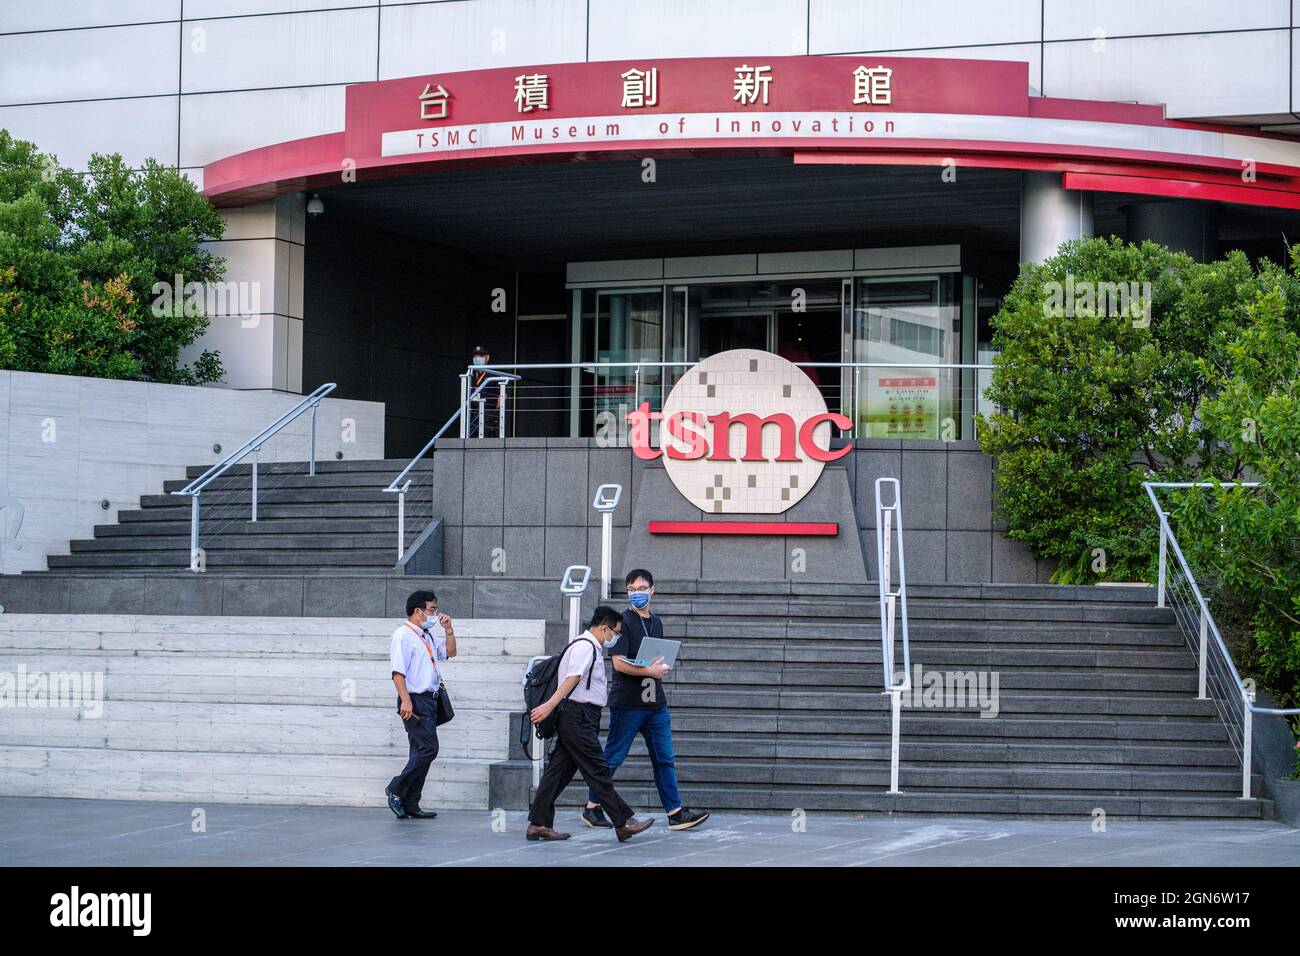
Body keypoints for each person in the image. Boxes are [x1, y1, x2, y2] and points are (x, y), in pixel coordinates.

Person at [583, 568, 710, 831]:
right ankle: (591, 807)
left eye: (642, 588)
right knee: (614, 757)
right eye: (632, 589)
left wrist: (659, 666)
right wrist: (649, 670)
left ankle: (675, 813)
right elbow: (618, 663)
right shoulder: (623, 622)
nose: (637, 594)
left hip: (655, 703)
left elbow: (654, 657)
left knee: (664, 758)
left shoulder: (657, 622)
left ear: (652, 590)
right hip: (628, 704)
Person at [526, 606, 654, 843]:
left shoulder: (585, 645)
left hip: (578, 716)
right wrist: (549, 706)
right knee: (597, 769)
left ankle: (538, 824)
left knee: (558, 773)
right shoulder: (585, 647)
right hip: (578, 716)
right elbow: (572, 678)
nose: (615, 638)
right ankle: (623, 821)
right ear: (604, 628)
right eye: (615, 632)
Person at [385, 590, 456, 820]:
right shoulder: (402, 636)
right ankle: (396, 788)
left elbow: (451, 652)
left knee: (419, 750)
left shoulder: (426, 636)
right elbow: (398, 672)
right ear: (418, 611)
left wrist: (448, 630)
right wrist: (405, 700)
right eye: (432, 609)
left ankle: (411, 802)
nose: (435, 614)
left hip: (430, 700)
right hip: (414, 700)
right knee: (428, 749)